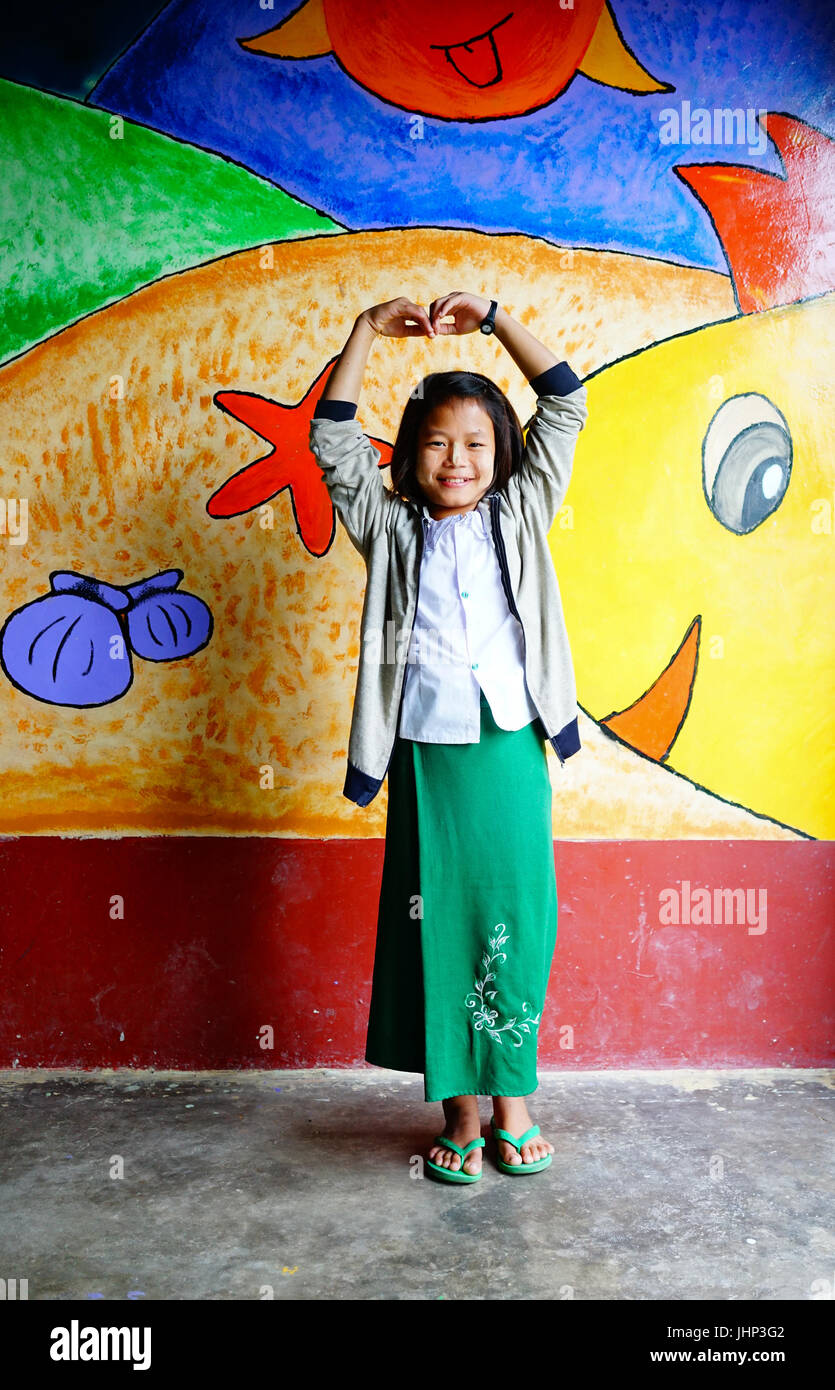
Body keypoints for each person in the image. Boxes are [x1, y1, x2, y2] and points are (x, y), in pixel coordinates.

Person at [308, 292, 588, 1182]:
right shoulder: (389, 531)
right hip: (424, 754)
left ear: (500, 453)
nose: (456, 459)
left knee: (515, 920)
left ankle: (515, 1101)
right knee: (435, 925)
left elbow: (565, 400)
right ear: (409, 458)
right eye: (434, 442)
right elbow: (332, 440)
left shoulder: (521, 509)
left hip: (510, 747)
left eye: (474, 443)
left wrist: (496, 318)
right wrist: (362, 334)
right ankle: (461, 1114)